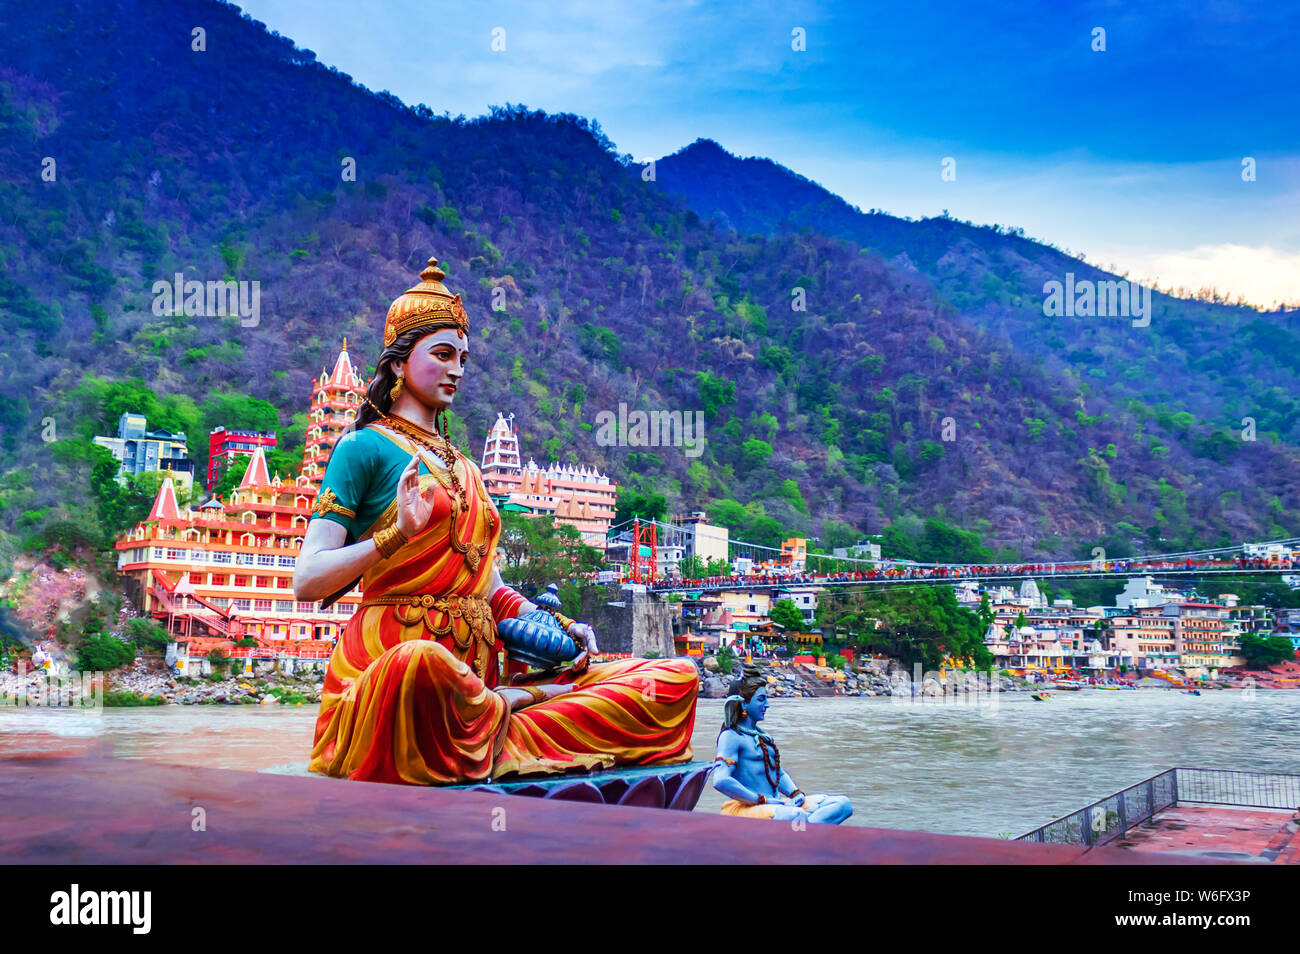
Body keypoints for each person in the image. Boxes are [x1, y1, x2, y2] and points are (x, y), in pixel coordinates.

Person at [295, 257, 698, 785]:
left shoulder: (464, 467)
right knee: (422, 665)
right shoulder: (361, 447)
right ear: (397, 364)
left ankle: (505, 711)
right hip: (399, 672)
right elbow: (308, 579)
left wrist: (557, 626)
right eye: (442, 354)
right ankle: (512, 707)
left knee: (672, 679)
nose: (457, 369)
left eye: (463, 357)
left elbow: (490, 587)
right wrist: (395, 537)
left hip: (482, 670)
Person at [711, 664, 852, 824]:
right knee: (795, 815)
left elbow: (777, 772)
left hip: (774, 804)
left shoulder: (763, 736)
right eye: (761, 699)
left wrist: (795, 793)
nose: (767, 705)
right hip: (744, 808)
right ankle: (804, 833)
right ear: (744, 704)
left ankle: (803, 832)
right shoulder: (731, 736)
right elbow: (720, 780)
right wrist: (761, 800)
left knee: (842, 804)